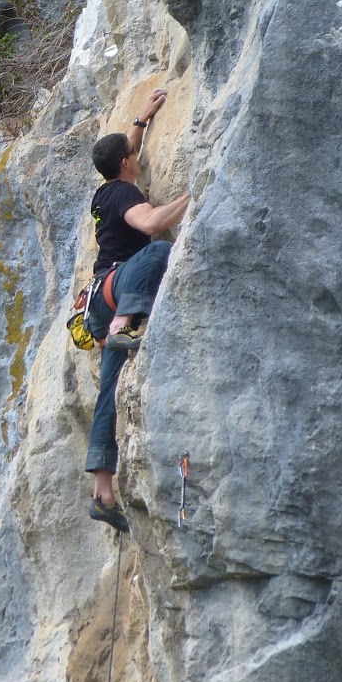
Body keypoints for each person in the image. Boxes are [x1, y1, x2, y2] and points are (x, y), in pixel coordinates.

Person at [84, 88, 190, 532]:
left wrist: (142, 120)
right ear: (126, 165)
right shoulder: (124, 195)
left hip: (99, 304)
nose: (136, 155)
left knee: (107, 392)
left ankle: (102, 492)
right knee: (158, 252)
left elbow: (121, 154)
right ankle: (129, 323)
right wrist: (193, 193)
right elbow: (149, 224)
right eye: (133, 153)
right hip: (116, 297)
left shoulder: (105, 191)